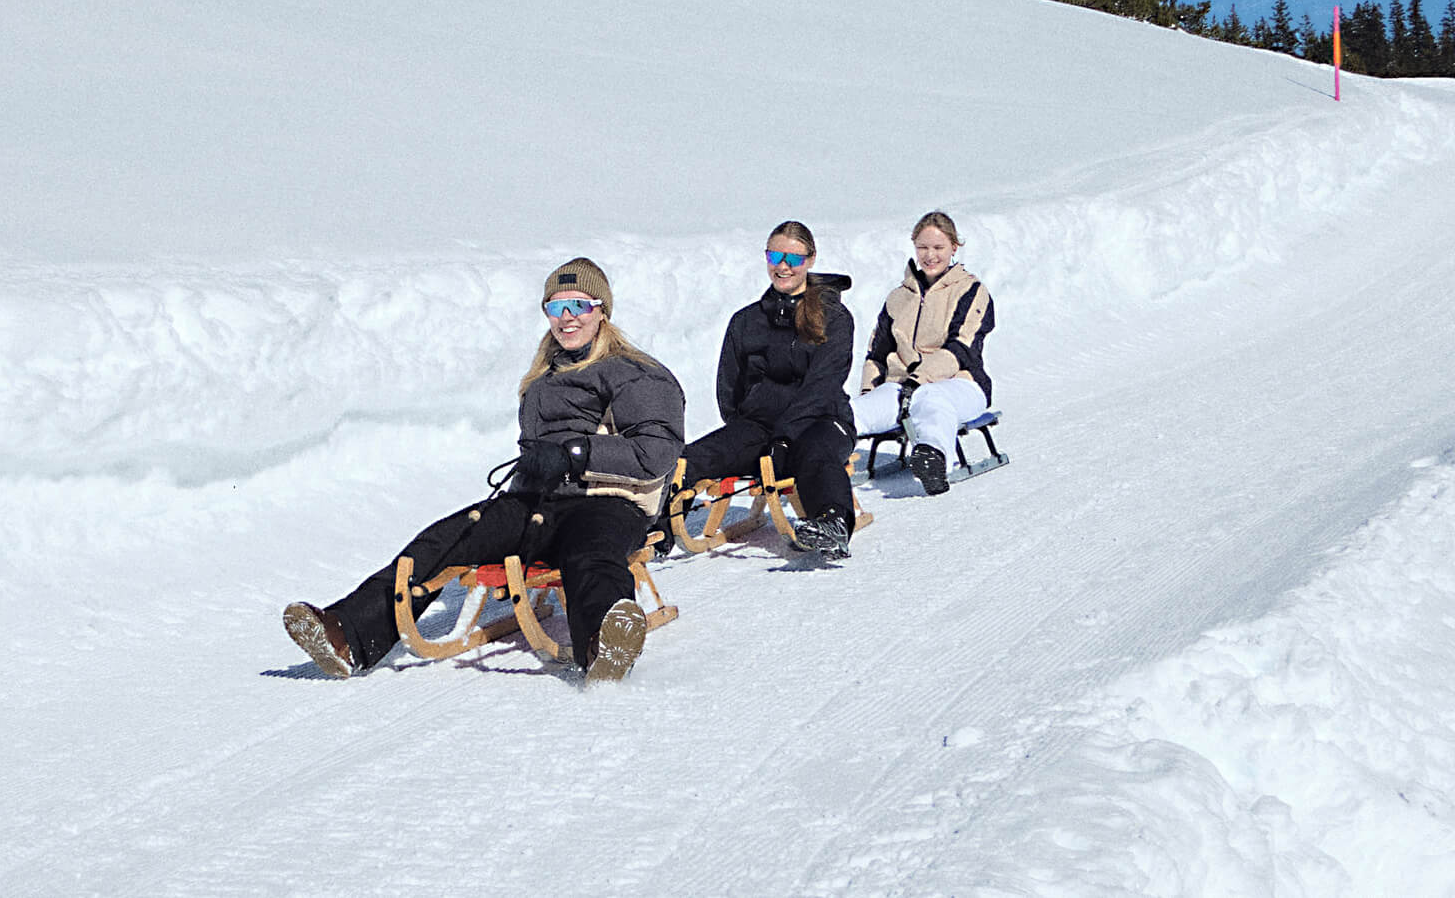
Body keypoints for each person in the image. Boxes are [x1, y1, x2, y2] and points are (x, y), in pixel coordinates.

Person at [282, 257, 685, 683]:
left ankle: (603, 643)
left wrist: (576, 454)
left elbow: (655, 451)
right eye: (555, 307)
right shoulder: (541, 381)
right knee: (447, 537)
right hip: (538, 503)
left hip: (608, 502)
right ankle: (347, 634)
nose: (567, 318)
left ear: (602, 310)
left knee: (590, 556)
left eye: (579, 305)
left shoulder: (637, 375)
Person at [678, 220, 861, 559]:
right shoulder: (746, 321)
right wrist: (742, 430)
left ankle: (832, 523)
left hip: (821, 420)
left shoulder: (834, 317)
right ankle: (657, 523)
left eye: (794, 257)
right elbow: (729, 386)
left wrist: (785, 437)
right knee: (695, 456)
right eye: (775, 255)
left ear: (811, 260)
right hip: (760, 425)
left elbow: (823, 386)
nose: (783, 265)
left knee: (816, 456)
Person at [854, 211, 994, 495]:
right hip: (902, 387)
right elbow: (877, 353)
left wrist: (917, 382)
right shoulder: (898, 297)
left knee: (932, 398)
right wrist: (871, 392)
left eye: (938, 248)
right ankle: (810, 458)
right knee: (853, 411)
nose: (930, 255)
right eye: (923, 248)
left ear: (955, 247)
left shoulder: (971, 291)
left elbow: (961, 348)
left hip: (959, 384)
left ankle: (932, 459)